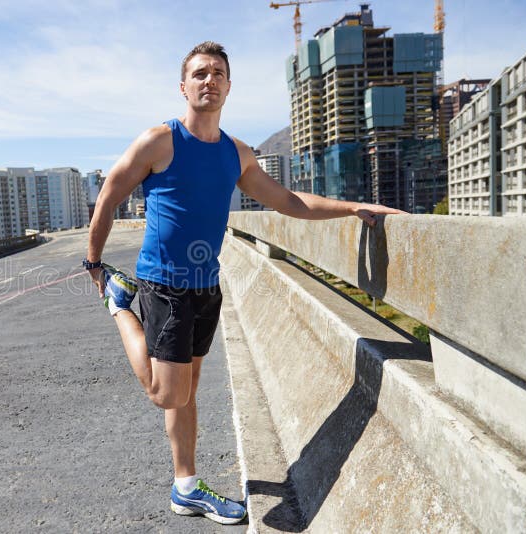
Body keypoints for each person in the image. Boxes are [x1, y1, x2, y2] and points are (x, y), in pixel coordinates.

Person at [83, 41, 405, 525]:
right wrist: (94, 260)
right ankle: (119, 304)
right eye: (199, 73)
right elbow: (109, 194)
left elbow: (289, 202)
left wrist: (353, 207)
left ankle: (186, 487)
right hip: (165, 285)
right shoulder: (159, 141)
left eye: (217, 73)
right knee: (166, 394)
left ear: (229, 86)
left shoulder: (236, 154)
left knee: (188, 391)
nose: (209, 80)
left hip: (206, 286)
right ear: (183, 86)